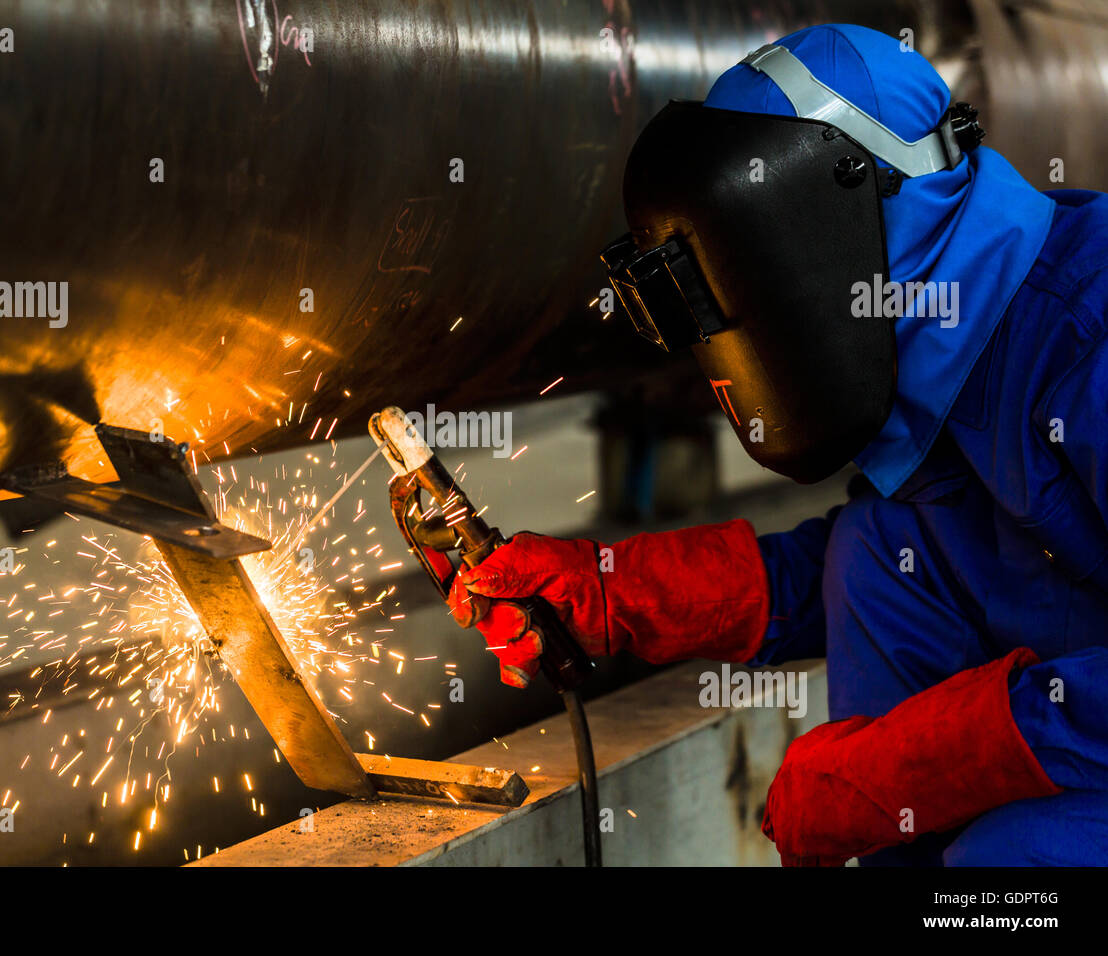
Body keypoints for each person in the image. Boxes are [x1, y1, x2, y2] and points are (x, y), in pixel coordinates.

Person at [448, 23, 1108, 866]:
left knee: (1015, 867)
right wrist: (620, 595)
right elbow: (938, 560)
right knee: (875, 551)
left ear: (863, 200)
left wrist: (911, 768)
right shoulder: (952, 349)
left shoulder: (1089, 336)